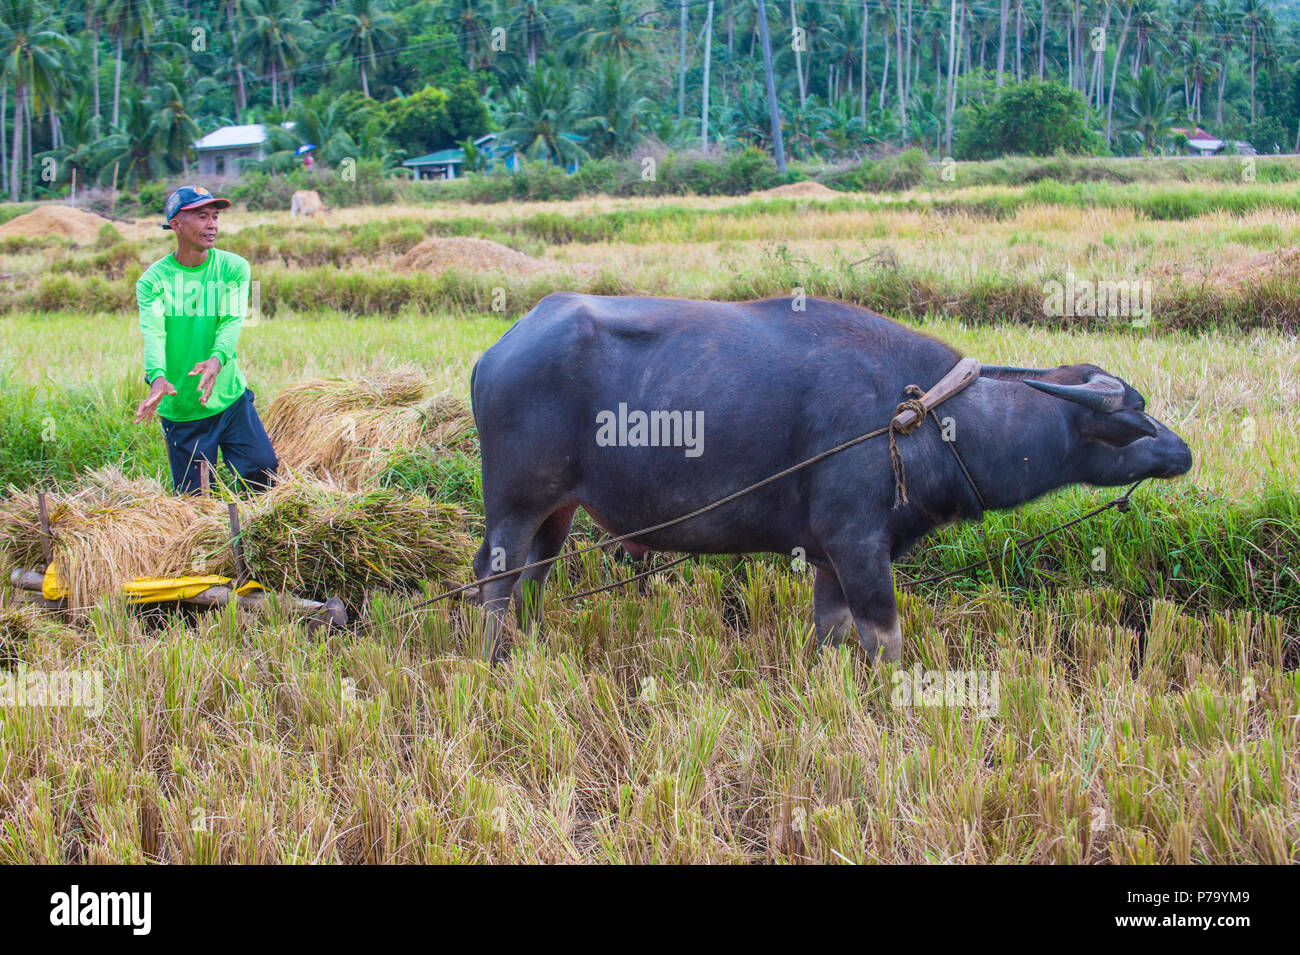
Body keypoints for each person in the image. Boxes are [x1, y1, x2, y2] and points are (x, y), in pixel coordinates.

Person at [134, 185, 278, 495]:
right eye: (202, 217)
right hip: (184, 408)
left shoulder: (233, 267)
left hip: (229, 398)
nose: (212, 224)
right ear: (177, 225)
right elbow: (154, 332)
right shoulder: (153, 280)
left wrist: (216, 360)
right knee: (195, 499)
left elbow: (231, 319)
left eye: (215, 217)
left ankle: (253, 540)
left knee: (263, 472)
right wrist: (157, 376)